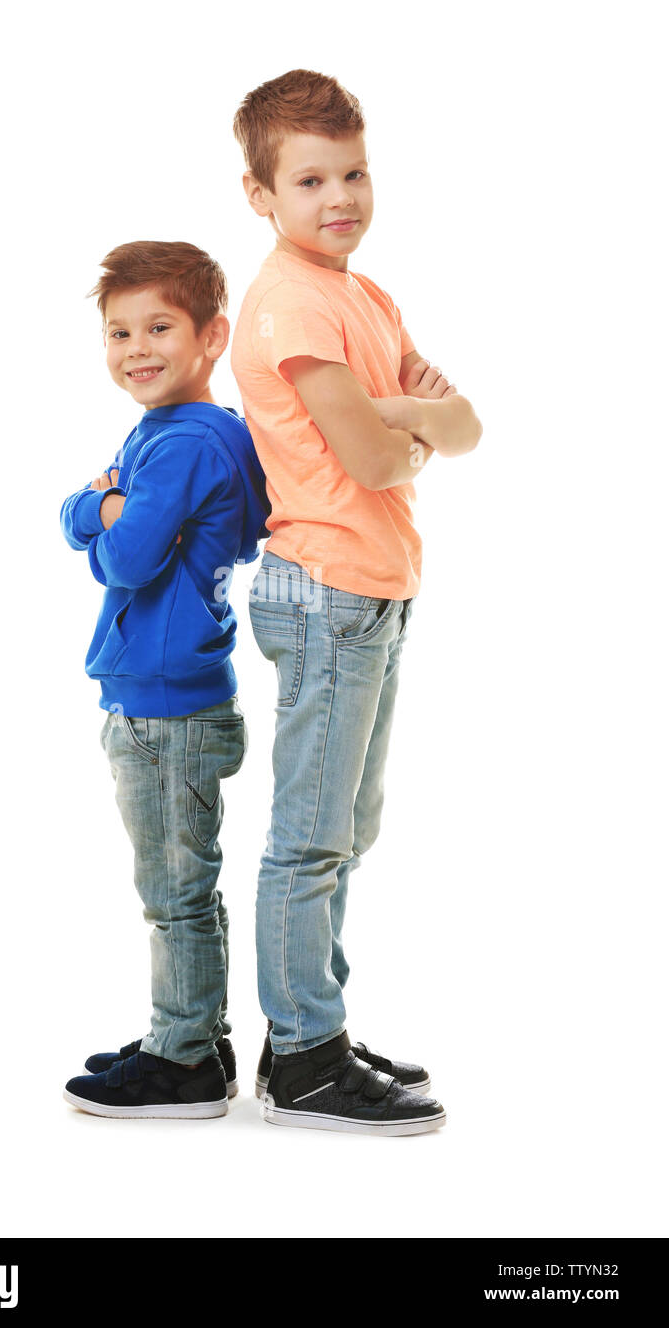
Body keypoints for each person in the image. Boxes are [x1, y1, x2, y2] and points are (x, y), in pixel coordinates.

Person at [231, 69, 483, 1136]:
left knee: (348, 826)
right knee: (310, 833)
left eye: (354, 171)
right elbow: (381, 457)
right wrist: (404, 419)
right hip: (327, 587)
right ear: (261, 195)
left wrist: (405, 419)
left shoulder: (363, 296)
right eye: (311, 179)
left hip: (374, 589)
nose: (341, 196)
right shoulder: (291, 300)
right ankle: (302, 1058)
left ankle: (316, 1021)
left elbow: (467, 422)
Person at [60, 241, 269, 1120]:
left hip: (165, 709)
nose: (135, 348)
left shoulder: (183, 442)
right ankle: (194, 1032)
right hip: (170, 699)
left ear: (211, 335)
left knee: (174, 892)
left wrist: (108, 515)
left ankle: (184, 1060)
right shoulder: (173, 432)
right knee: (186, 884)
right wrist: (100, 508)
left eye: (158, 327)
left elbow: (125, 559)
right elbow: (81, 512)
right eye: (118, 331)